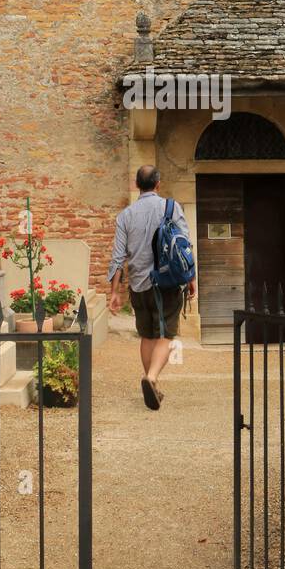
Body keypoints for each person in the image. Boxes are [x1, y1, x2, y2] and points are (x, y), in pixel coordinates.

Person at [107, 165, 196, 409]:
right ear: (158, 184)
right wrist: (191, 278)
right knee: (166, 335)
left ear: (137, 185)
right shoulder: (171, 207)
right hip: (165, 282)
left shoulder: (125, 216)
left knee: (146, 335)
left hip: (138, 285)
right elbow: (185, 245)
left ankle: (152, 385)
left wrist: (114, 292)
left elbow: (118, 257)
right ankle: (152, 377)